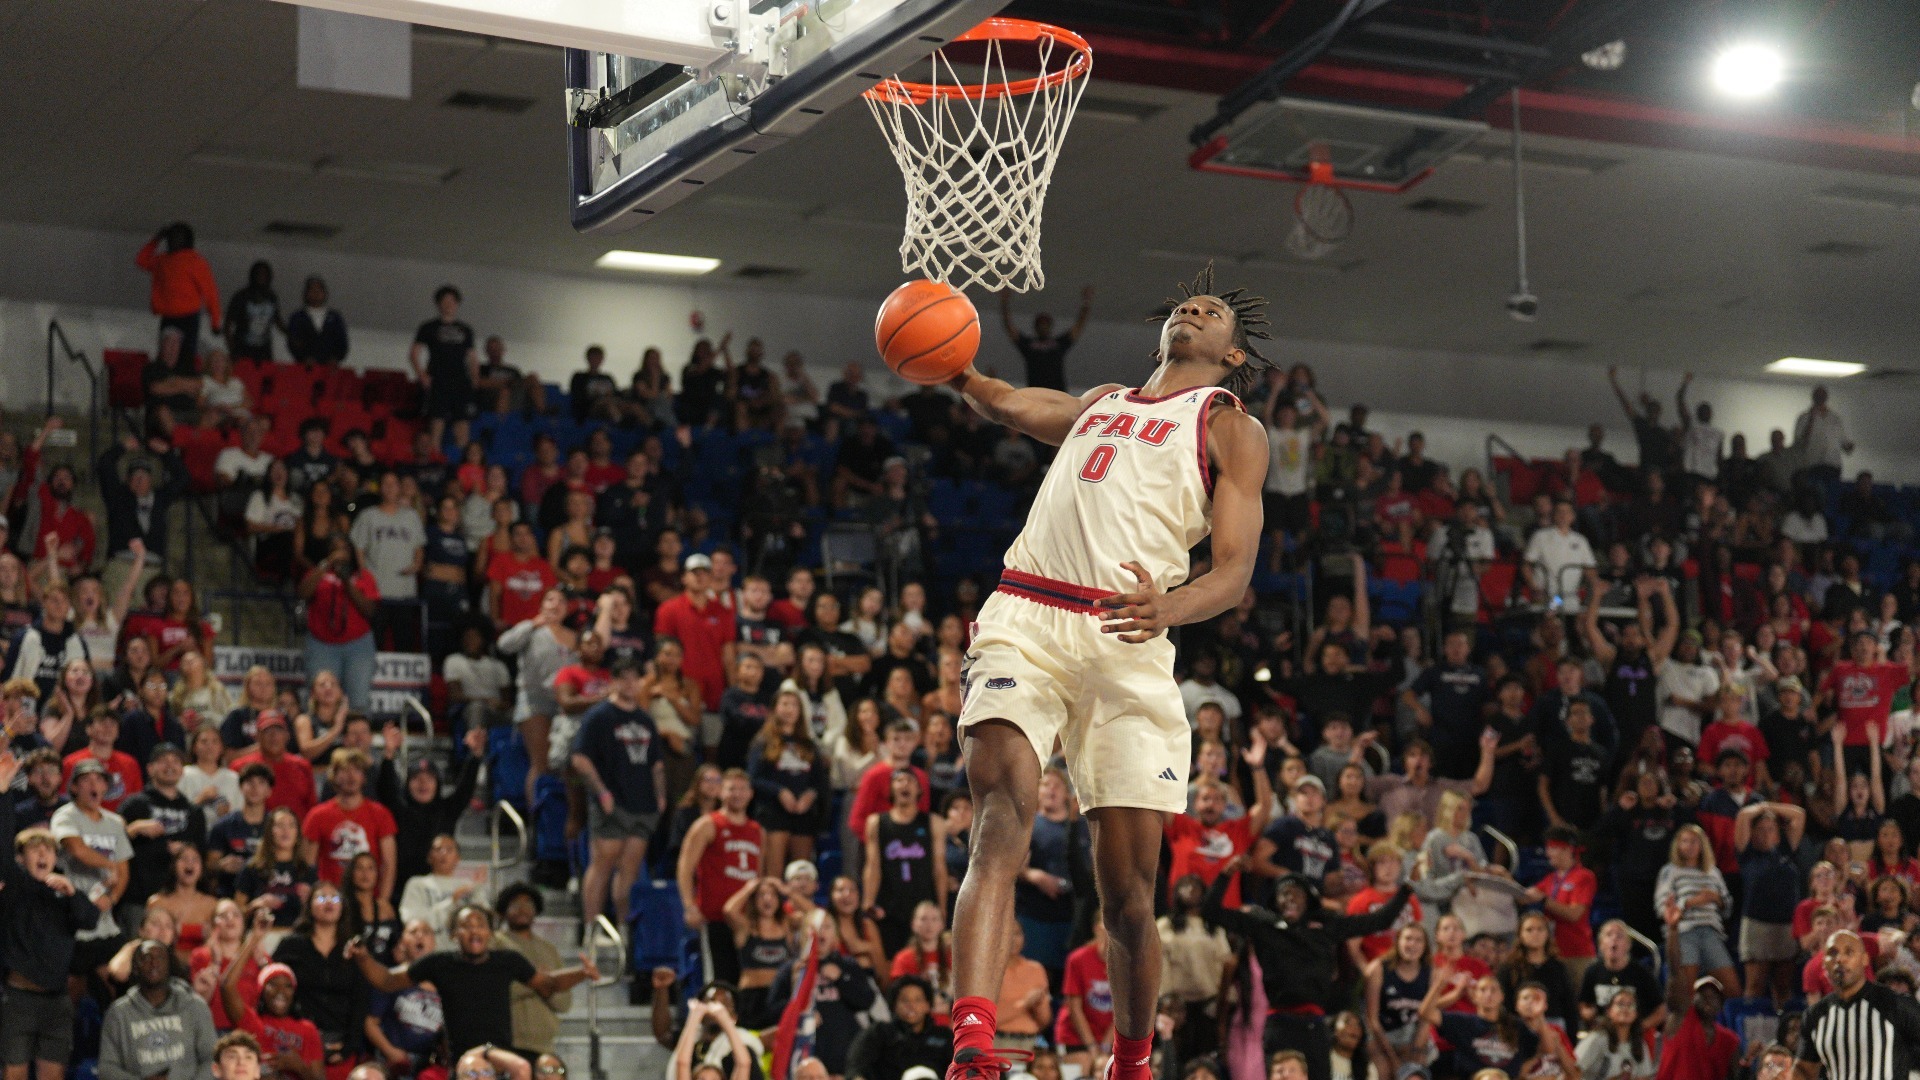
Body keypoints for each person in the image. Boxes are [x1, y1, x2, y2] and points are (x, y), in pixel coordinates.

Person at [939, 265, 1270, 1080]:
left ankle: (1131, 1061)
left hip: (1130, 635)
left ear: (1232, 356)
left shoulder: (1230, 426)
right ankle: (973, 1042)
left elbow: (1233, 572)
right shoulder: (1102, 401)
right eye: (1187, 302)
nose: (1194, 308)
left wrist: (1171, 607)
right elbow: (1007, 402)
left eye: (1213, 311)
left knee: (1126, 895)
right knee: (1001, 818)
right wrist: (949, 364)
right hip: (1028, 616)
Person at [1204, 861, 1410, 1080]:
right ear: (1276, 902)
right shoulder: (1264, 928)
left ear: (1308, 900)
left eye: (1296, 894)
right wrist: (1226, 874)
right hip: (1279, 1024)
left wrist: (1406, 889)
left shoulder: (1326, 929)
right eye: (1284, 894)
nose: (1290, 898)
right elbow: (1210, 911)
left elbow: (1381, 920)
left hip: (1315, 1026)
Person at [349, 903, 598, 1061]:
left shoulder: (508, 961)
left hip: (500, 1060)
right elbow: (387, 981)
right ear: (454, 934)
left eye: (480, 925)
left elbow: (548, 985)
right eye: (466, 926)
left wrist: (582, 973)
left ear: (489, 933)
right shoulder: (439, 963)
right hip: (462, 1062)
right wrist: (363, 958)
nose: (474, 930)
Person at [0, 753, 101, 1080]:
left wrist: (73, 893)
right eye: (34, 848)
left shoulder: (65, 893)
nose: (43, 853)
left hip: (57, 1001)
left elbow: (90, 920)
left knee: (53, 1076)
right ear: (21, 857)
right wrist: (3, 793)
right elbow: (2, 845)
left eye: (48, 849)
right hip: (18, 998)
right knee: (13, 1074)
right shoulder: (15, 888)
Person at [570, 658, 664, 931]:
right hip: (612, 800)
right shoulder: (599, 716)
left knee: (630, 870)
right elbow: (580, 759)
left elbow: (656, 763)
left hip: (642, 803)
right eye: (624, 677)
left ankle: (623, 931)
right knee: (602, 865)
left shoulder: (645, 719)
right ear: (613, 681)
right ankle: (591, 928)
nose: (630, 683)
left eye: (635, 678)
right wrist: (602, 793)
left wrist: (660, 796)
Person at [1798, 928, 1920, 1079]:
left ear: (1864, 959)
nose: (1840, 959)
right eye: (1833, 953)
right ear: (1824, 964)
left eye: (1849, 952)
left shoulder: (1895, 1004)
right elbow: (1804, 1072)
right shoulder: (1815, 1015)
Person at [679, 769, 764, 983]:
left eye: (742, 789)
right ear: (721, 792)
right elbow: (685, 867)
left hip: (747, 921)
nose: (737, 794)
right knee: (718, 983)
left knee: (746, 981)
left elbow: (760, 876)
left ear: (751, 794)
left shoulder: (757, 830)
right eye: (731, 789)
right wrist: (689, 906)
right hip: (714, 917)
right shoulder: (708, 824)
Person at [53, 757, 133, 974]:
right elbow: (76, 849)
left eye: (99, 779)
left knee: (115, 976)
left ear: (106, 787)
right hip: (73, 918)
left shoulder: (114, 822)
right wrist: (109, 865)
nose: (93, 784)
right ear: (74, 787)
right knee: (74, 982)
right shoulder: (66, 816)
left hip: (106, 922)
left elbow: (124, 870)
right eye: (86, 779)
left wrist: (112, 898)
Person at [222, 912, 324, 1080]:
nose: (280, 991)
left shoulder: (307, 1029)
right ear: (261, 991)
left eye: (287, 986)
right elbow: (227, 986)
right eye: (273, 984)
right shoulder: (252, 1022)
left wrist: (298, 1067)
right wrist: (254, 939)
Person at [100, 939, 218, 1080]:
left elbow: (211, 1059)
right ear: (135, 968)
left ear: (169, 965)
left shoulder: (195, 1006)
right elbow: (107, 1069)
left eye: (160, 958)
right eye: (146, 958)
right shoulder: (118, 1013)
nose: (154, 963)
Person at [864, 769, 947, 957]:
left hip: (923, 901)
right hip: (890, 901)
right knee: (890, 956)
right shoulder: (876, 822)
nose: (904, 784)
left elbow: (939, 868)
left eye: (910, 780)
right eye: (899, 780)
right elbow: (872, 866)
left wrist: (941, 907)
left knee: (925, 957)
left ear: (919, 790)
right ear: (891, 789)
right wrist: (868, 902)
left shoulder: (933, 822)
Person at [301, 748, 396, 897]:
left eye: (357, 770)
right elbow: (308, 865)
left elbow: (389, 864)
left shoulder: (380, 814)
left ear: (364, 776)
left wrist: (382, 901)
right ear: (334, 776)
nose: (351, 776)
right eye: (344, 770)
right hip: (330, 898)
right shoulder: (317, 815)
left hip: (368, 898)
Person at [493, 884, 571, 1058]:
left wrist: (546, 989)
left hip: (545, 1045)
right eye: (515, 904)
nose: (523, 909)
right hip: (508, 1044)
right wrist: (538, 982)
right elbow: (492, 990)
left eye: (528, 903)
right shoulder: (495, 943)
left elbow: (565, 1003)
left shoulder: (549, 949)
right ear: (503, 911)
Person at [137, 222, 221, 363]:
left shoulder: (196, 262)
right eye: (171, 237)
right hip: (168, 316)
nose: (174, 240)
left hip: (189, 317)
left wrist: (215, 323)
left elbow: (210, 293)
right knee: (165, 358)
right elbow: (141, 260)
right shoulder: (162, 260)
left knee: (186, 358)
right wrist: (156, 239)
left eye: (178, 237)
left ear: (187, 240)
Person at [410, 285, 480, 449]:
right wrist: (422, 375)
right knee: (437, 423)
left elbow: (472, 357)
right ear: (438, 304)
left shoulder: (466, 329)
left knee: (462, 424)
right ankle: (435, 457)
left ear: (457, 304)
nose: (449, 304)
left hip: (461, 380)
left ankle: (462, 461)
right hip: (438, 380)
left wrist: (475, 377)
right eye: (445, 301)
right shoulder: (428, 327)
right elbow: (414, 354)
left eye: (452, 301)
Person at [846, 975, 954, 1080]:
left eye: (918, 1000)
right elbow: (855, 1068)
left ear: (927, 1005)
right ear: (894, 1005)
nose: (911, 1006)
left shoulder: (945, 1036)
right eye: (904, 1000)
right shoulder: (879, 1033)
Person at [998, 288, 1092, 393]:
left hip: (1057, 393)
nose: (1043, 327)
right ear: (1036, 327)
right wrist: (1004, 302)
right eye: (1041, 324)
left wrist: (1086, 302)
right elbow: (1010, 328)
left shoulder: (1059, 344)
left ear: (1050, 327)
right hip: (1036, 394)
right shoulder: (1028, 345)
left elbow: (1078, 327)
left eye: (1045, 324)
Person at [1656, 974, 1737, 1080]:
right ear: (1693, 999)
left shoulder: (1729, 1039)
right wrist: (1675, 967)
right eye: (1703, 995)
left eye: (1713, 997)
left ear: (1721, 1006)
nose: (1708, 1000)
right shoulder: (1680, 1020)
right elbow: (1675, 990)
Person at [286, 277, 349, 366]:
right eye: (312, 290)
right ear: (306, 294)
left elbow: (342, 341)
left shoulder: (335, 317)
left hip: (329, 368)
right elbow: (293, 341)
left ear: (325, 293)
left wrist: (336, 358)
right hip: (306, 367)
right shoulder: (298, 317)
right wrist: (304, 358)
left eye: (319, 290)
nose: (316, 293)